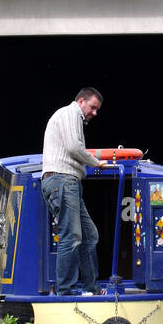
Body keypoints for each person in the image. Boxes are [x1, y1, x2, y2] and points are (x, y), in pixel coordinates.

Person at [41, 88, 105, 295]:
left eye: (97, 110)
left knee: (89, 235)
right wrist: (96, 163)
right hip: (63, 180)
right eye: (92, 107)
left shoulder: (67, 115)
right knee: (72, 236)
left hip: (67, 182)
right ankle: (65, 292)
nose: (94, 113)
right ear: (80, 101)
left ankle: (92, 288)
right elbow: (73, 147)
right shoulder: (71, 113)